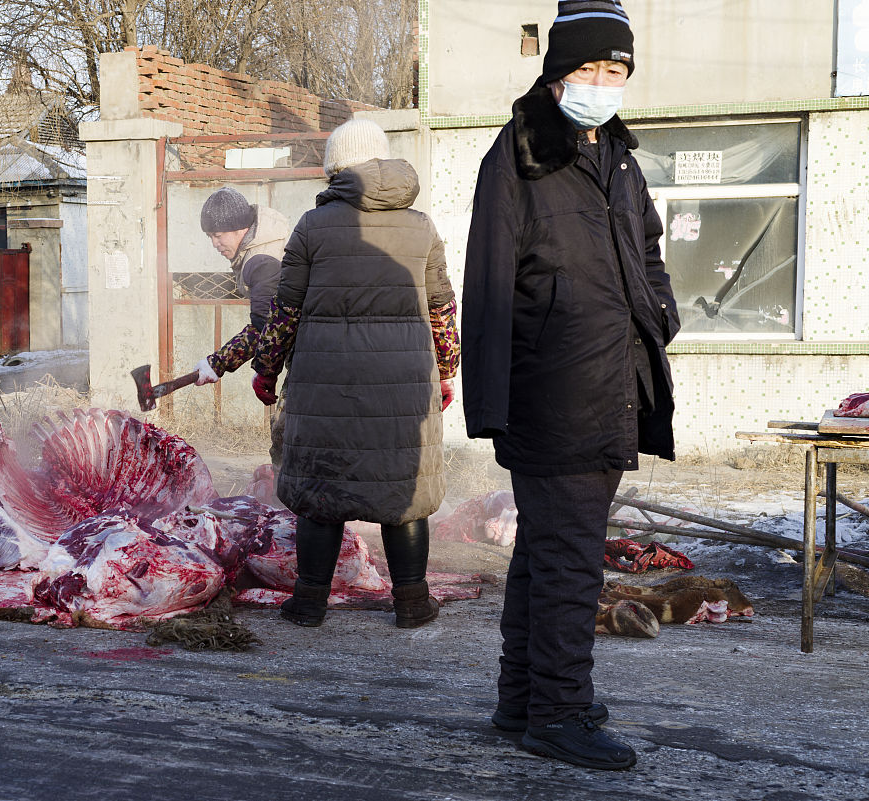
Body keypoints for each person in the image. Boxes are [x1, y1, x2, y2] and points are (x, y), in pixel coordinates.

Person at [460, 0, 678, 771]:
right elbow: (485, 284)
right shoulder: (518, 155)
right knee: (569, 560)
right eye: (586, 67)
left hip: (611, 379)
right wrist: (490, 407)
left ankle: (524, 697)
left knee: (544, 555)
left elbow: (646, 248)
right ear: (555, 72)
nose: (601, 81)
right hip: (551, 391)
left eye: (614, 69)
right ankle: (559, 711)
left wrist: (659, 315)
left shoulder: (616, 153)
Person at [251, 118, 460, 630]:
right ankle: (412, 601)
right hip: (406, 386)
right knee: (404, 493)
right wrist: (447, 371)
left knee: (322, 493)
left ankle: (309, 602)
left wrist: (266, 370)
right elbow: (442, 309)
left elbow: (285, 310)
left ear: (335, 170)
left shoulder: (312, 227)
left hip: (325, 386)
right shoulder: (421, 226)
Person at [192, 187, 292, 464]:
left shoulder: (261, 261)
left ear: (240, 230)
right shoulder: (268, 241)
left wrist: (219, 364)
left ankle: (283, 501)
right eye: (210, 236)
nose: (214, 243)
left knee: (287, 440)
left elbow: (265, 327)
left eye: (217, 235)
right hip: (315, 348)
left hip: (313, 353)